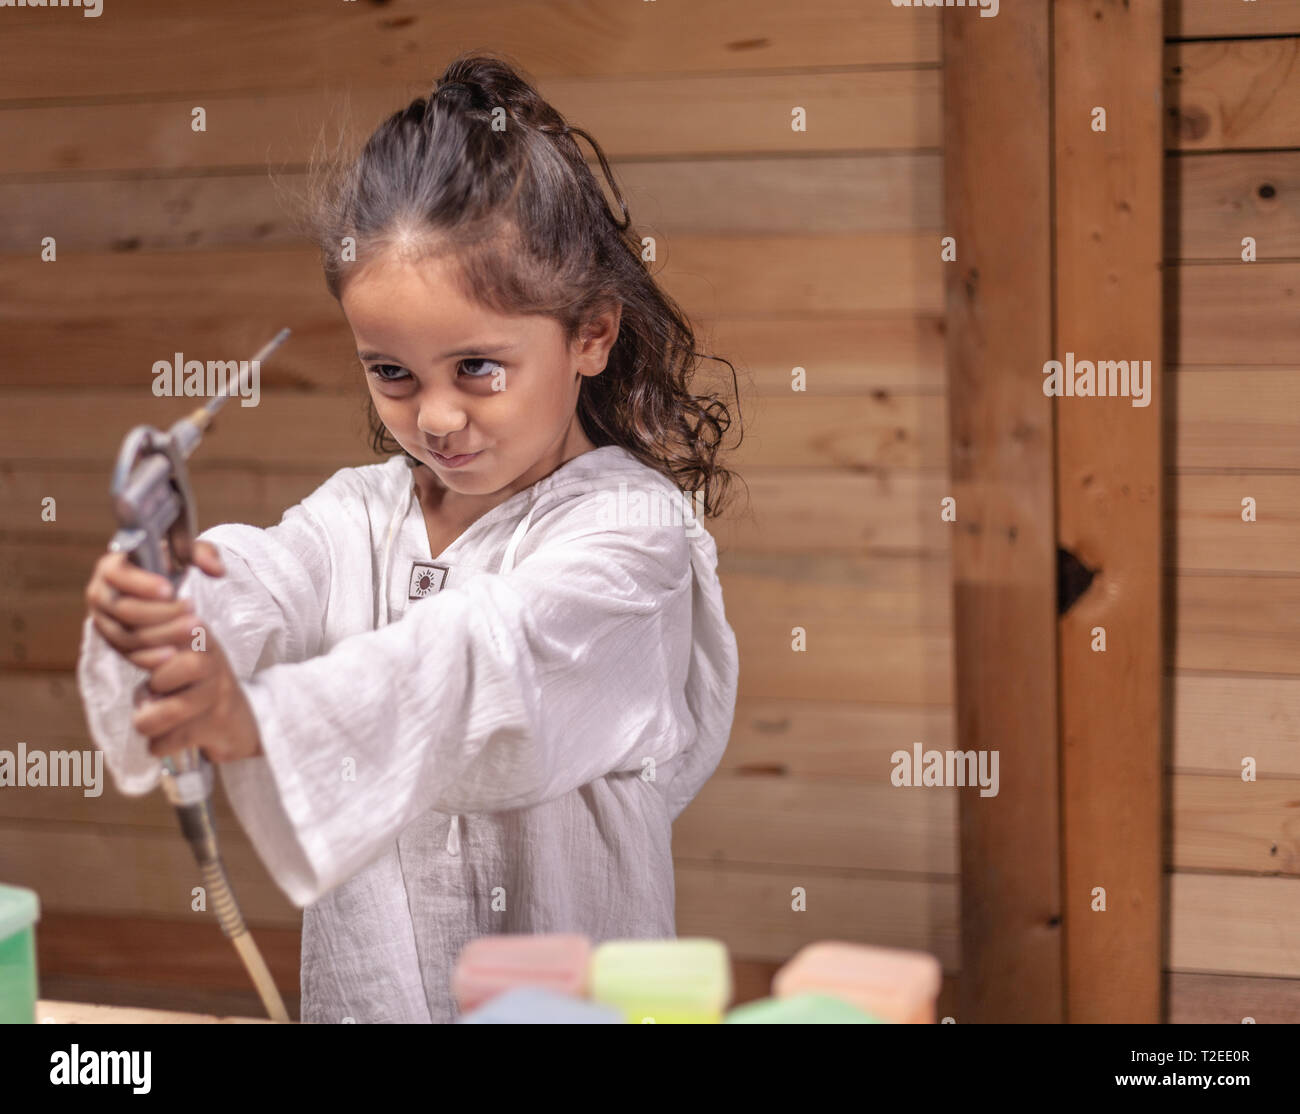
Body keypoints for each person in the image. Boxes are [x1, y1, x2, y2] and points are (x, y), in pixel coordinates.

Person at [76, 51, 743, 1024]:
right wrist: (165, 613)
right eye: (391, 371)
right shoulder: (358, 516)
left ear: (590, 335)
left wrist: (255, 718)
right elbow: (257, 577)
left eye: (476, 366)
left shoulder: (630, 538)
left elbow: (492, 658)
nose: (431, 417)